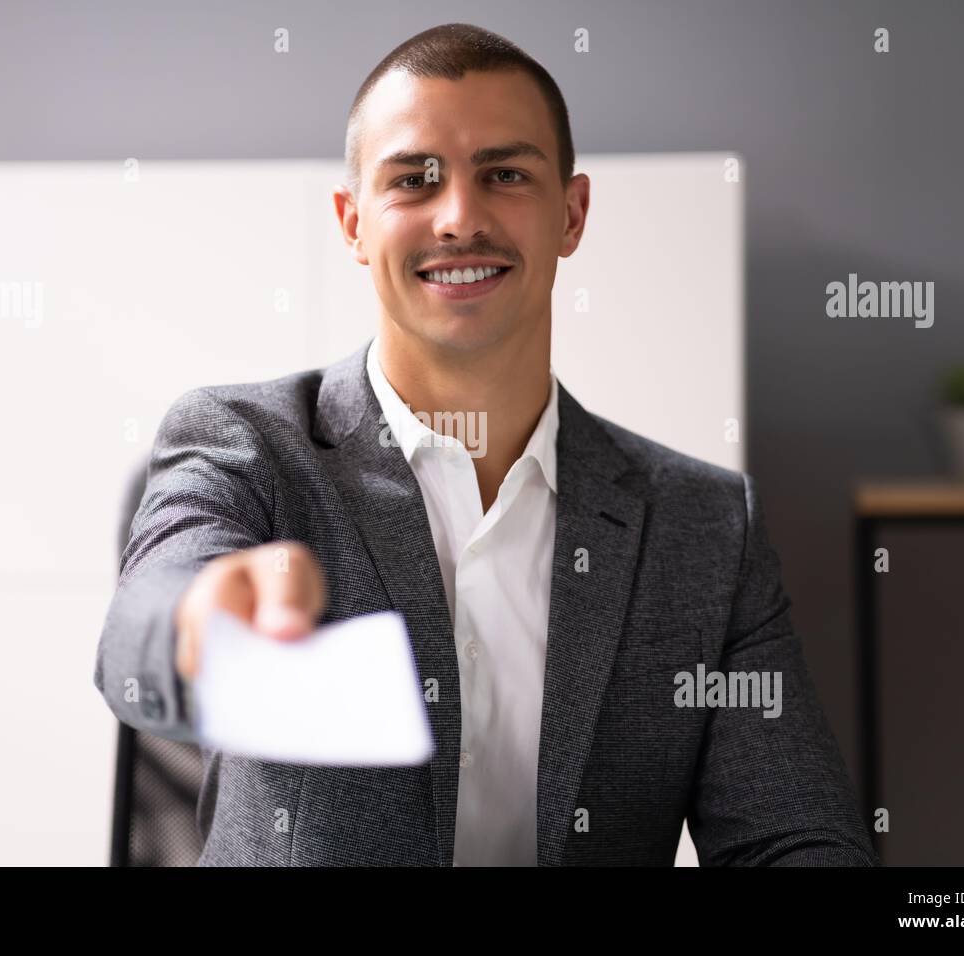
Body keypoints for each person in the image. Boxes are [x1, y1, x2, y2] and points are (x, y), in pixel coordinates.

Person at [95, 22, 878, 867]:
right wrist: (200, 622)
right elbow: (137, 629)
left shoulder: (705, 526)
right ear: (353, 223)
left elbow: (795, 838)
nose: (460, 218)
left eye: (505, 175)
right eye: (413, 181)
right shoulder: (246, 445)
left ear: (571, 214)